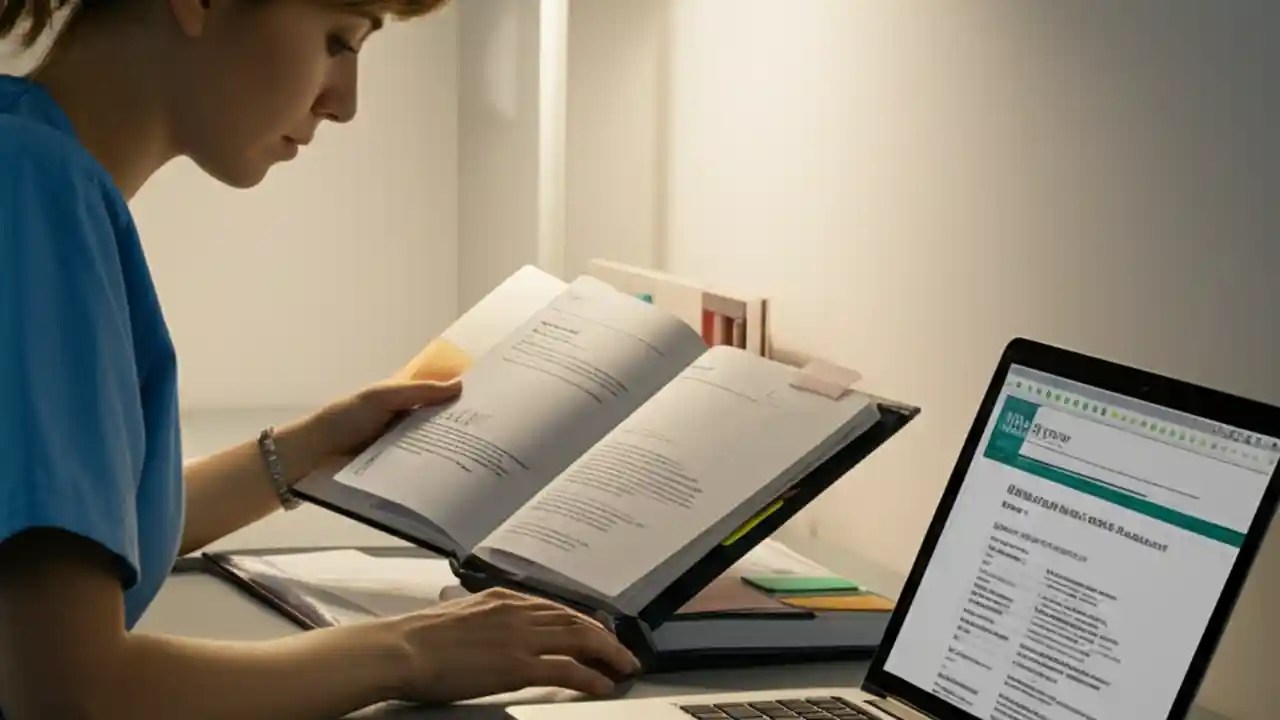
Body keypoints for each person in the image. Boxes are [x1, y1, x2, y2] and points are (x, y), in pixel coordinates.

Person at [0, 0, 640, 716]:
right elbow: (71, 692)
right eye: (340, 39)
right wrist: (411, 653)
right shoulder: (35, 193)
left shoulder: (28, 158)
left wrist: (310, 450)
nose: (345, 104)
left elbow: (66, 541)